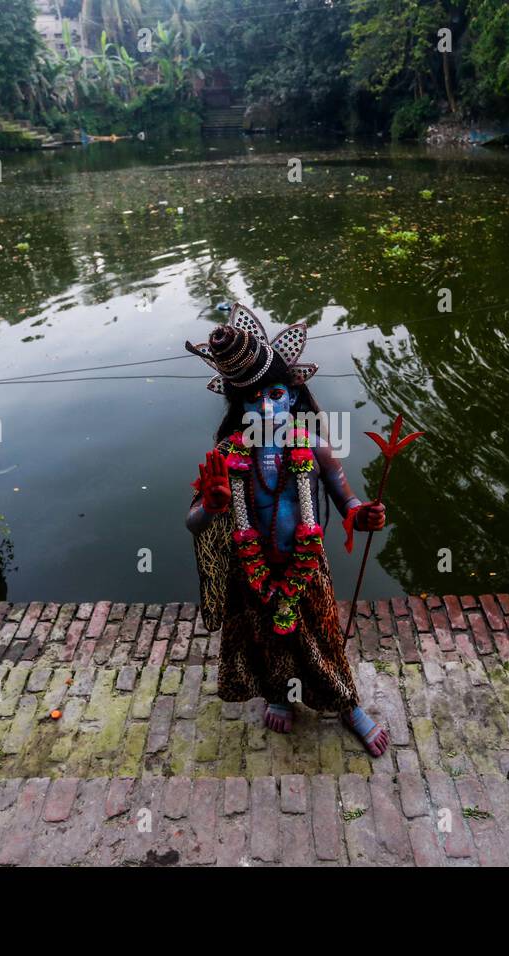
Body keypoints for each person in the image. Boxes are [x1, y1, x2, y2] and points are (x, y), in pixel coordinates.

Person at [184, 304, 390, 757]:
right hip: (250, 570)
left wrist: (363, 515)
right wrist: (213, 505)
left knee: (323, 638)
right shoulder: (227, 454)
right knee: (265, 641)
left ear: (293, 395)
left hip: (306, 566)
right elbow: (194, 521)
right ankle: (278, 694)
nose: (265, 406)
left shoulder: (315, 446)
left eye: (274, 393)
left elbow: (347, 501)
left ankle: (347, 705)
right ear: (240, 405)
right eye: (252, 399)